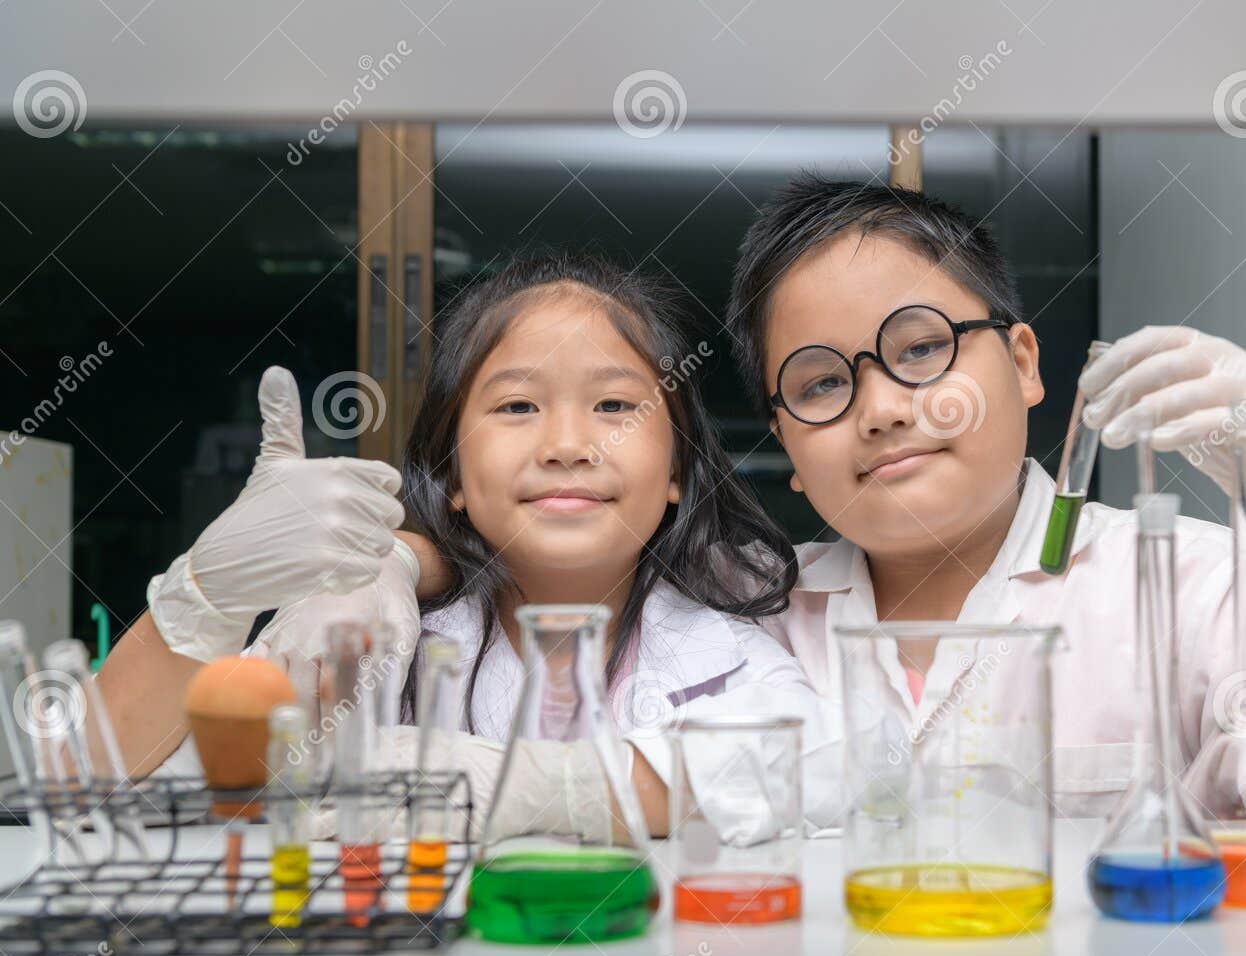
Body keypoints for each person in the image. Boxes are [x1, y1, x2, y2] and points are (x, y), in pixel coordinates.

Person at [722, 174, 1246, 831]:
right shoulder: (744, 620)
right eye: (820, 383)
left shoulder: (1186, 586)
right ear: (786, 444)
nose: (883, 407)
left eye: (922, 348)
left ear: (1024, 363)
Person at [98, 249, 826, 840]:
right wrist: (204, 594)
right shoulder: (365, 635)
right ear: (451, 476)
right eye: (517, 406)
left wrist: (524, 789)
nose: (567, 444)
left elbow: (793, 764)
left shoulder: (731, 658)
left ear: (675, 470)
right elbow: (114, 784)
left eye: (613, 405)